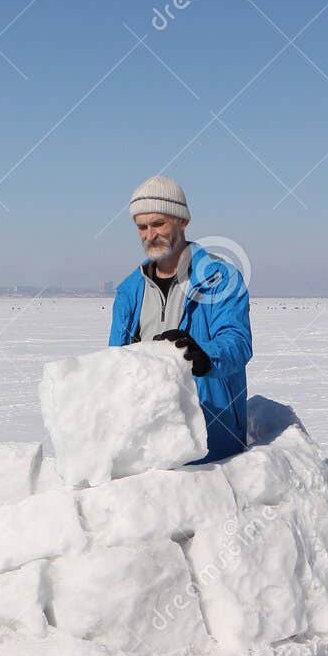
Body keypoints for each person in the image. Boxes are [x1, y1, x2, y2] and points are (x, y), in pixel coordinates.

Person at [108, 175, 252, 461]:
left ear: (182, 221)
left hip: (213, 436)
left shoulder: (219, 278)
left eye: (158, 223)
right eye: (142, 227)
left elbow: (238, 343)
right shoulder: (128, 291)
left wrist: (202, 355)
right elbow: (115, 363)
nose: (150, 235)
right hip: (149, 442)